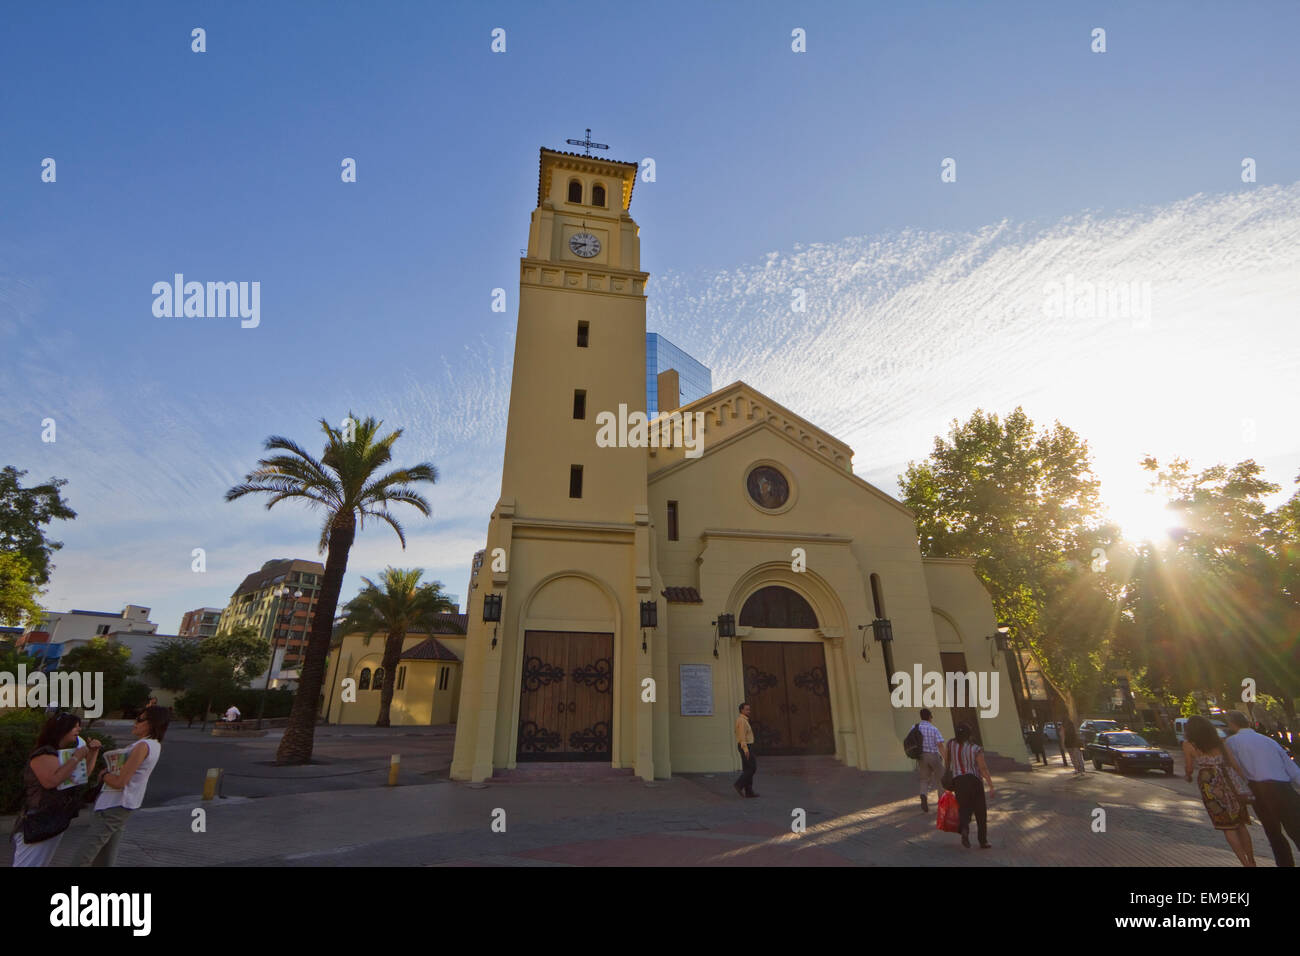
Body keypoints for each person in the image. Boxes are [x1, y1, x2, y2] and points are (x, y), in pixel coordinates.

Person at [69, 705, 167, 867]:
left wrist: (104, 775)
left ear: (153, 723)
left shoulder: (143, 746)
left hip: (114, 804)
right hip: (122, 804)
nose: (135, 722)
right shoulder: (153, 745)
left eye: (140, 719)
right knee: (104, 856)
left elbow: (120, 781)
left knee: (85, 854)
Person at [10, 712, 101, 867]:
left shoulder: (58, 754)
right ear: (61, 729)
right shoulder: (43, 753)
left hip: (52, 820)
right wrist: (76, 758)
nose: (78, 730)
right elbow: (51, 781)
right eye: (74, 727)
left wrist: (92, 753)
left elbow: (80, 776)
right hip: (37, 821)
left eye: (79, 727)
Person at [1224, 710, 1300, 867]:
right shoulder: (1268, 741)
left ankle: (1285, 864)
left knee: (1275, 835)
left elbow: (1235, 770)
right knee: (1296, 830)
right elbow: (1292, 770)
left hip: (1260, 791)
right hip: (1284, 789)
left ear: (1232, 724)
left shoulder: (1231, 743)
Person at [1183, 714, 1255, 867]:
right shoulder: (1220, 742)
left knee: (1227, 827)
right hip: (1228, 781)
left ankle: (1244, 863)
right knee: (1240, 824)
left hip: (1209, 784)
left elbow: (1189, 767)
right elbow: (1234, 764)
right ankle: (1252, 860)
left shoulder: (1188, 745)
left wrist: (1188, 775)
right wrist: (1246, 782)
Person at [945, 723, 994, 848]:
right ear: (969, 734)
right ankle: (983, 840)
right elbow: (983, 768)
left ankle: (965, 829)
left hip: (959, 781)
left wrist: (948, 769)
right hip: (974, 781)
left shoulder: (951, 744)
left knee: (964, 808)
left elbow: (947, 759)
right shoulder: (975, 748)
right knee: (980, 811)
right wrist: (990, 785)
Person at [734, 702, 758, 798]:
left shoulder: (744, 720)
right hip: (745, 746)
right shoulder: (741, 721)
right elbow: (742, 735)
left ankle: (749, 791)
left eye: (749, 709)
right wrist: (745, 749)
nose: (749, 711)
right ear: (741, 710)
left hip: (746, 746)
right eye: (747, 709)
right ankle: (739, 784)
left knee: (747, 768)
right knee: (752, 768)